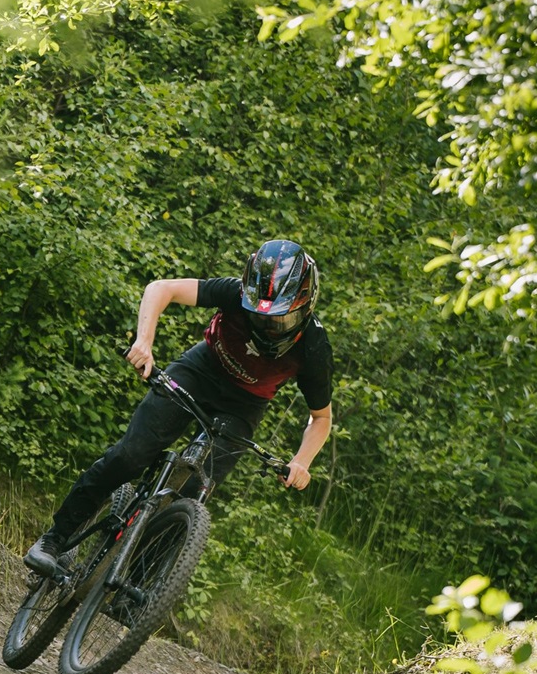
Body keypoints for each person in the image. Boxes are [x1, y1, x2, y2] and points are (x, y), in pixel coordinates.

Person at [24, 239, 334, 575]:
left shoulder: (314, 348)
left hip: (245, 405)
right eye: (257, 317)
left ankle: (137, 584)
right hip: (201, 369)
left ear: (303, 309)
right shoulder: (233, 293)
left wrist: (301, 462)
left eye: (278, 321)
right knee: (132, 454)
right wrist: (144, 340)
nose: (266, 328)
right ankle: (55, 539)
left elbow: (321, 418)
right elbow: (162, 289)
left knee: (193, 493)